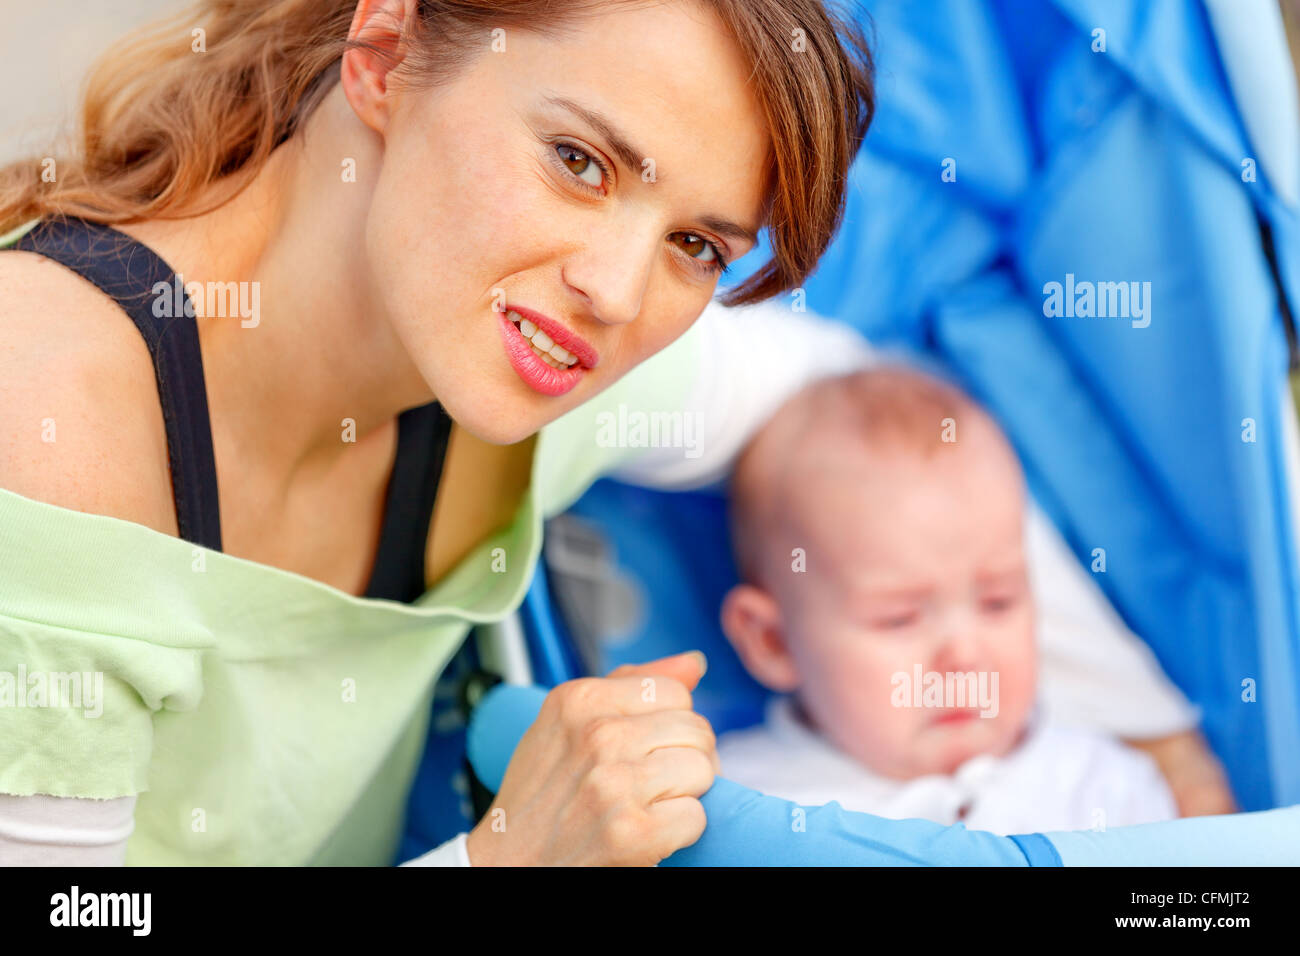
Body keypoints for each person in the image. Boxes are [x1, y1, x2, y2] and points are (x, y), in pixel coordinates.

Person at [0, 0, 875, 865]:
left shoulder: (531, 341)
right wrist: (510, 857)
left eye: (695, 245)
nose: (618, 293)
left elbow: (836, 391)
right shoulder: (51, 413)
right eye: (579, 161)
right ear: (384, 53)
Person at [716, 366, 1189, 833]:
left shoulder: (1105, 789)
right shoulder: (736, 807)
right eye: (899, 619)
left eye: (998, 602)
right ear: (773, 641)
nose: (964, 656)